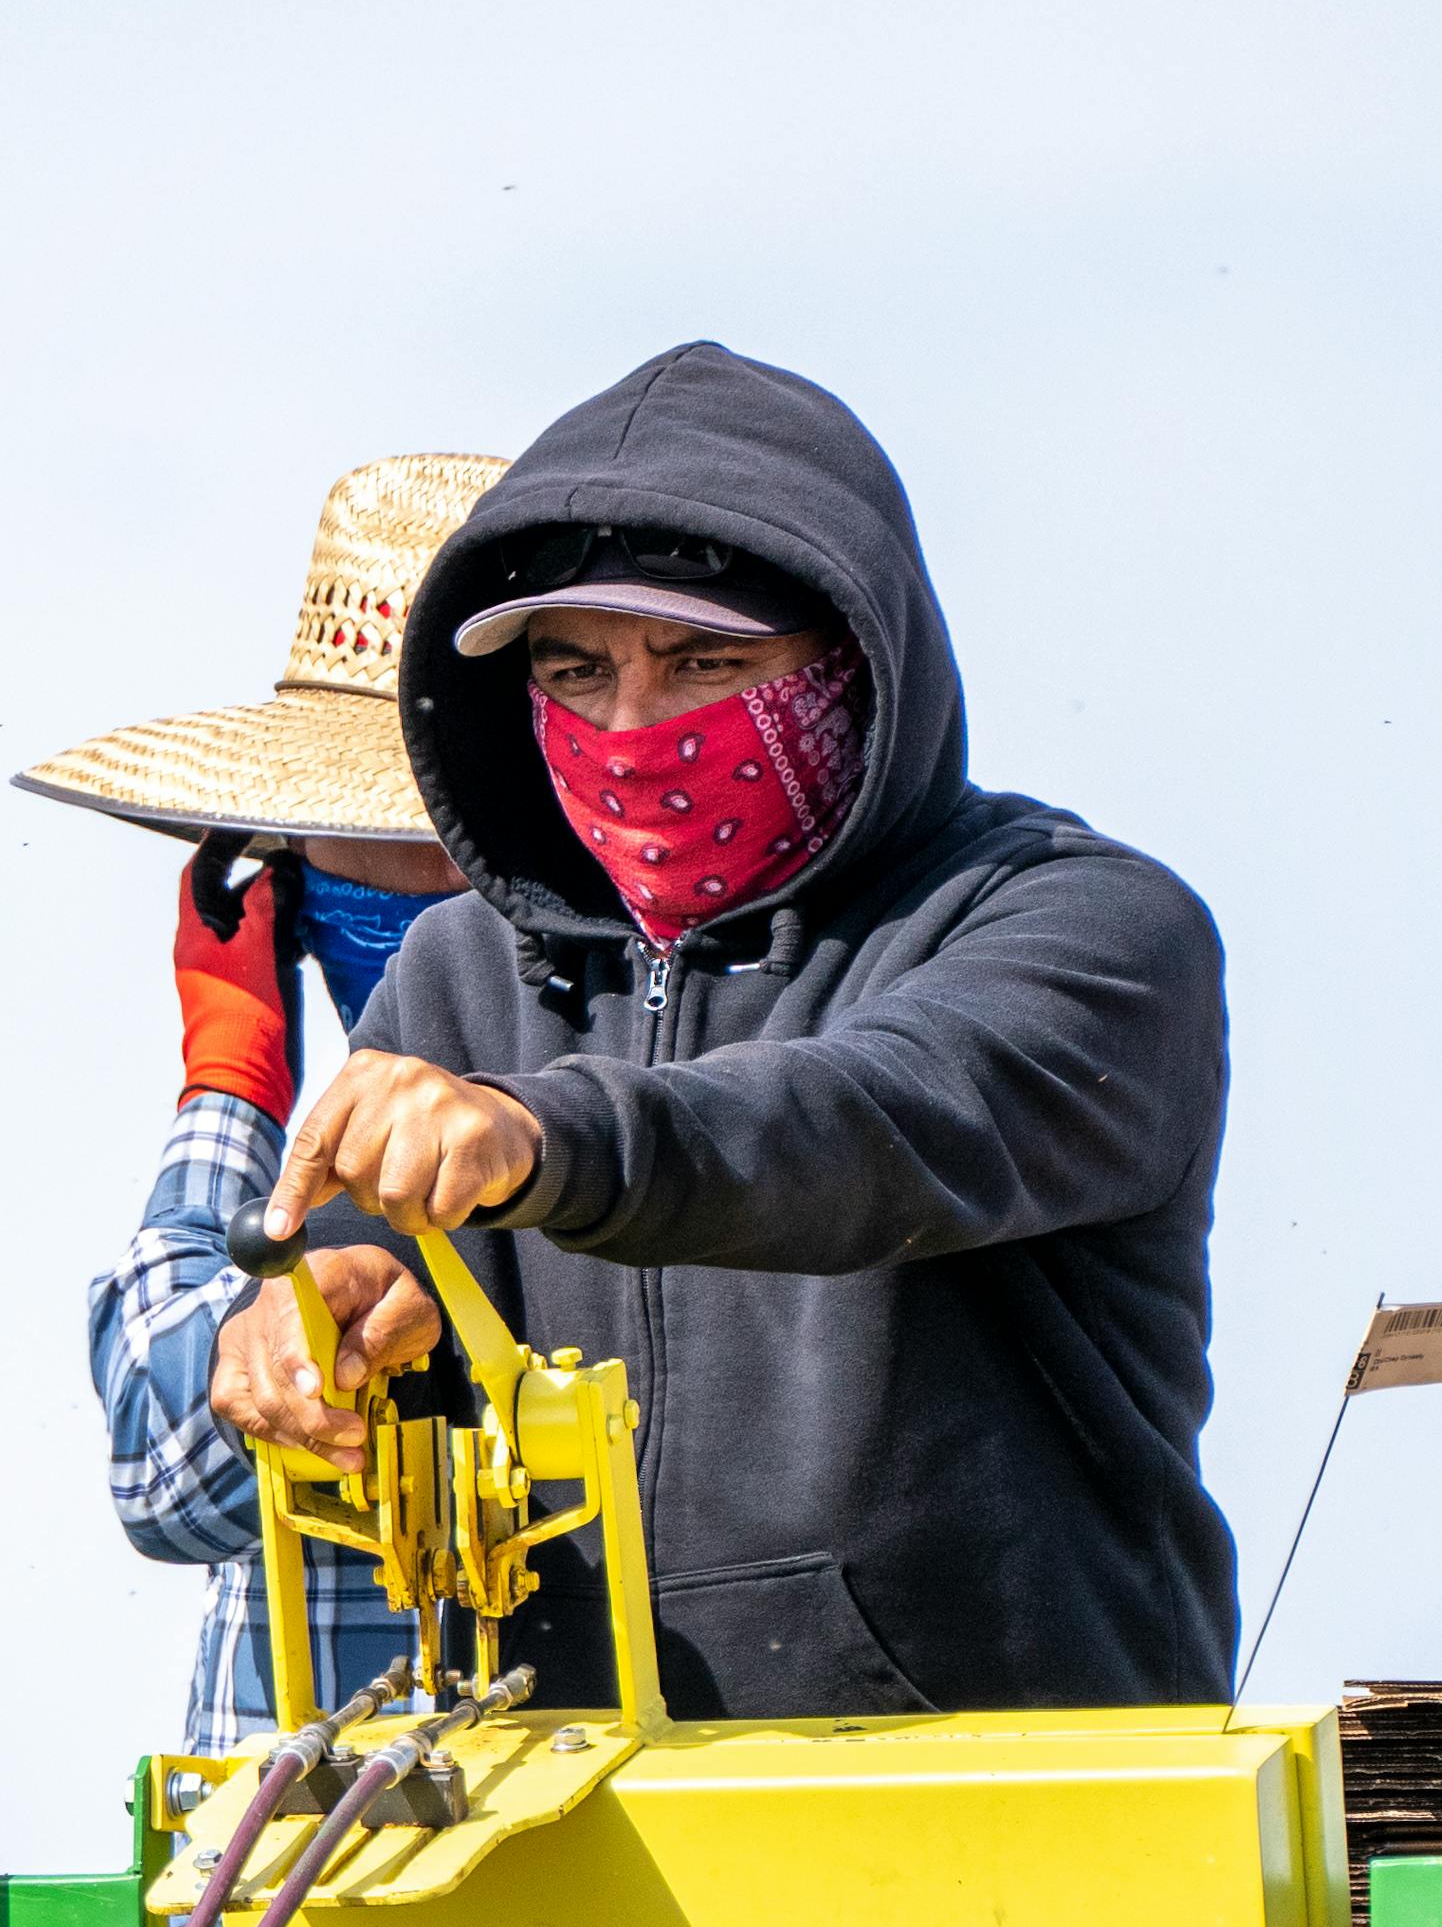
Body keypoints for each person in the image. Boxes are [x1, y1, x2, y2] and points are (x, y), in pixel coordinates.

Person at [211, 343, 1237, 1722]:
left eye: (705, 663)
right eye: (574, 673)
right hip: (573, 1832)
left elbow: (871, 1122)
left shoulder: (1085, 928)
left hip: (1013, 1811)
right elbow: (364, 1285)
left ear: (862, 660)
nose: (631, 729)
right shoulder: (460, 978)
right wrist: (308, 1323)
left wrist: (543, 1136)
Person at [18, 444, 503, 1745]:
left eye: (435, 841)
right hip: (293, 1901)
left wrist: (231, 1078)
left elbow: (159, 1468)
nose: (395, 877)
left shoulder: (619, 1129)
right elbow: (164, 1448)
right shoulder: (322, 1163)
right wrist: (237, 1076)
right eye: (355, 833)